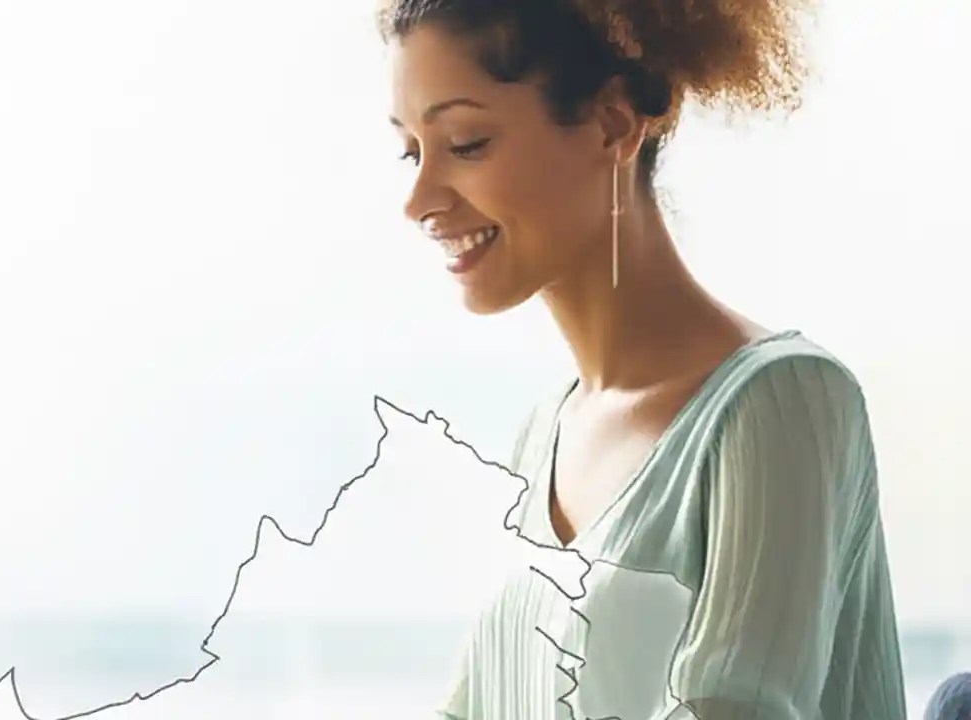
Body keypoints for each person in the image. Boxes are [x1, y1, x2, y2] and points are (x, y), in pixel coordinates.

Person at [376, 0, 907, 718]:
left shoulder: (784, 402)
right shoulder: (543, 438)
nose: (417, 200)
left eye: (465, 143)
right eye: (412, 151)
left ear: (613, 124)